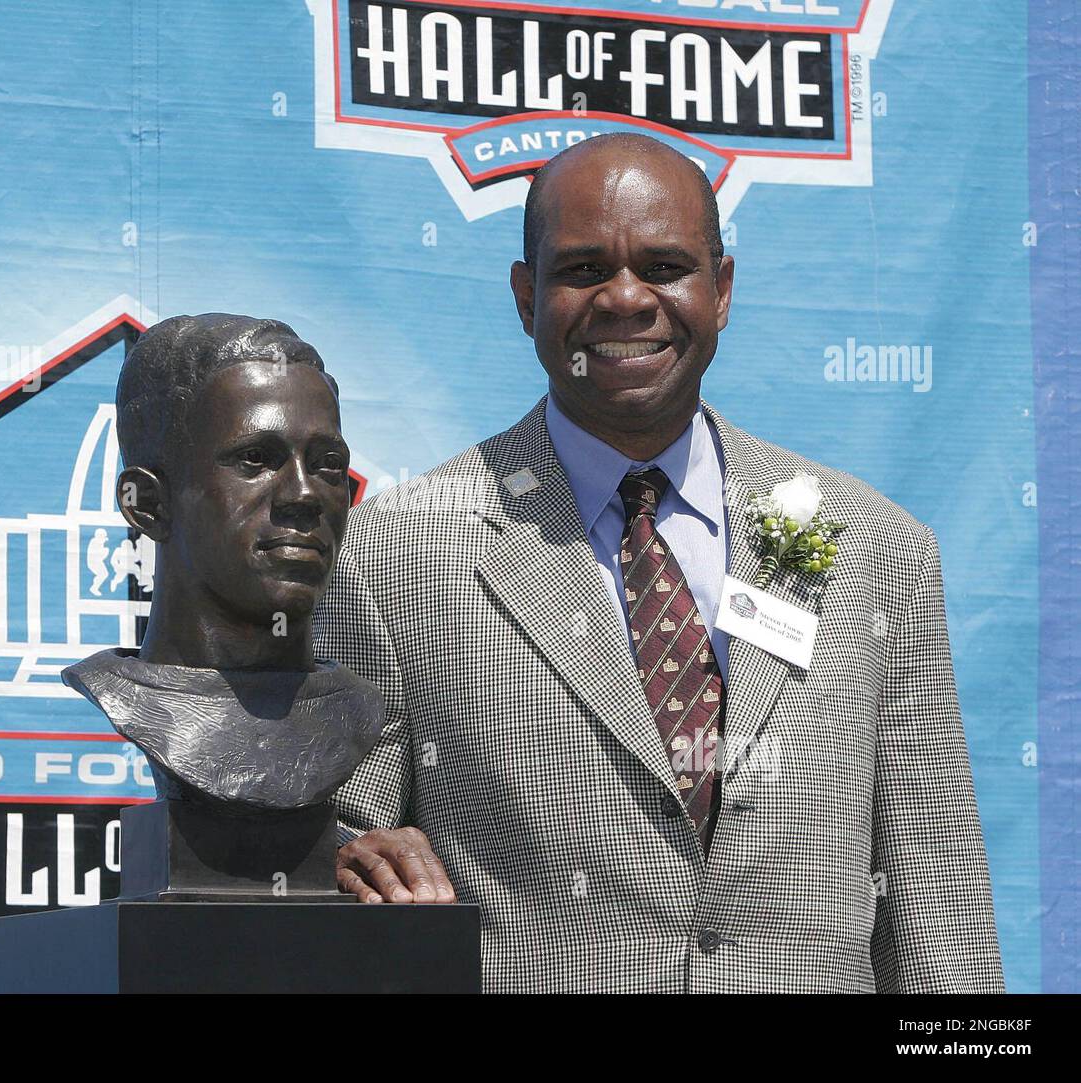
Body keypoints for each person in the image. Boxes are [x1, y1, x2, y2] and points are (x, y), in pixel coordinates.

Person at [313, 133, 1004, 993]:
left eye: (666, 265)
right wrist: (355, 859)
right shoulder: (394, 550)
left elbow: (940, 905)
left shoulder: (874, 546)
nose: (626, 297)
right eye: (583, 268)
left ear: (722, 291)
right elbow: (336, 850)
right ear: (526, 297)